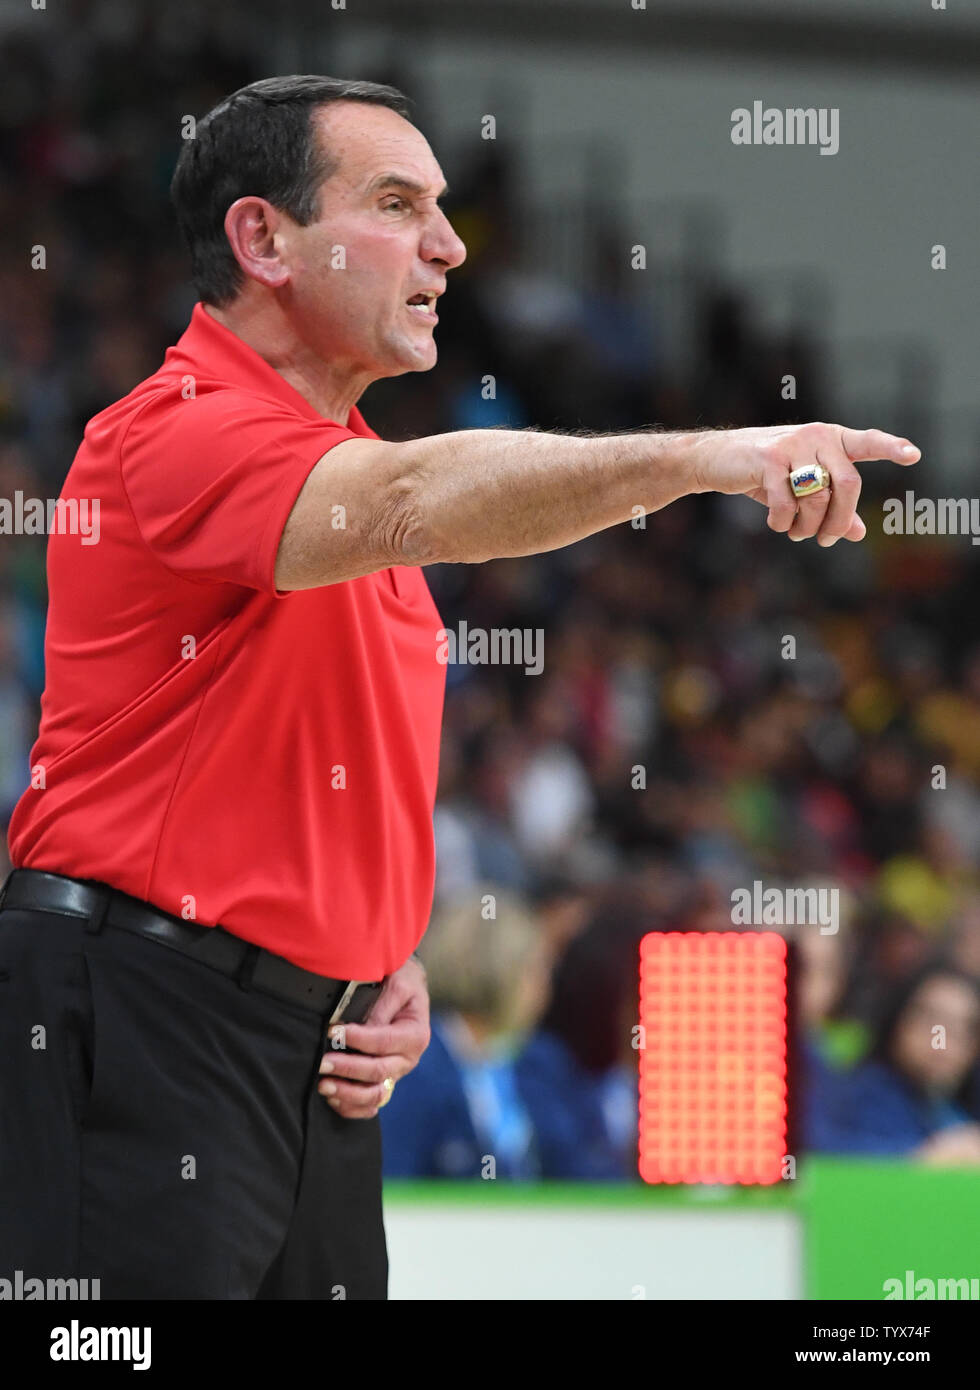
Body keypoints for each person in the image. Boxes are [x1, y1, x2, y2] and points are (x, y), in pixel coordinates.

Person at [0, 71, 922, 1300]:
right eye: (396, 204)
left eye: (444, 207)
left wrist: (368, 950)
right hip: (141, 1020)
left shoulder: (351, 480)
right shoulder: (174, 427)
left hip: (311, 1053)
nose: (448, 244)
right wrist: (710, 453)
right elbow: (416, 499)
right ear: (260, 237)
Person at [380, 888, 548, 1179]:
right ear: (498, 971)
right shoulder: (415, 1066)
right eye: (534, 970)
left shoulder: (527, 1062)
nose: (544, 988)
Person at [808, 963, 980, 1160]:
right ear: (899, 1020)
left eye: (960, 1028)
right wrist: (924, 1158)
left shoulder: (952, 1113)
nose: (942, 1041)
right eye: (931, 1020)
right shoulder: (855, 1098)